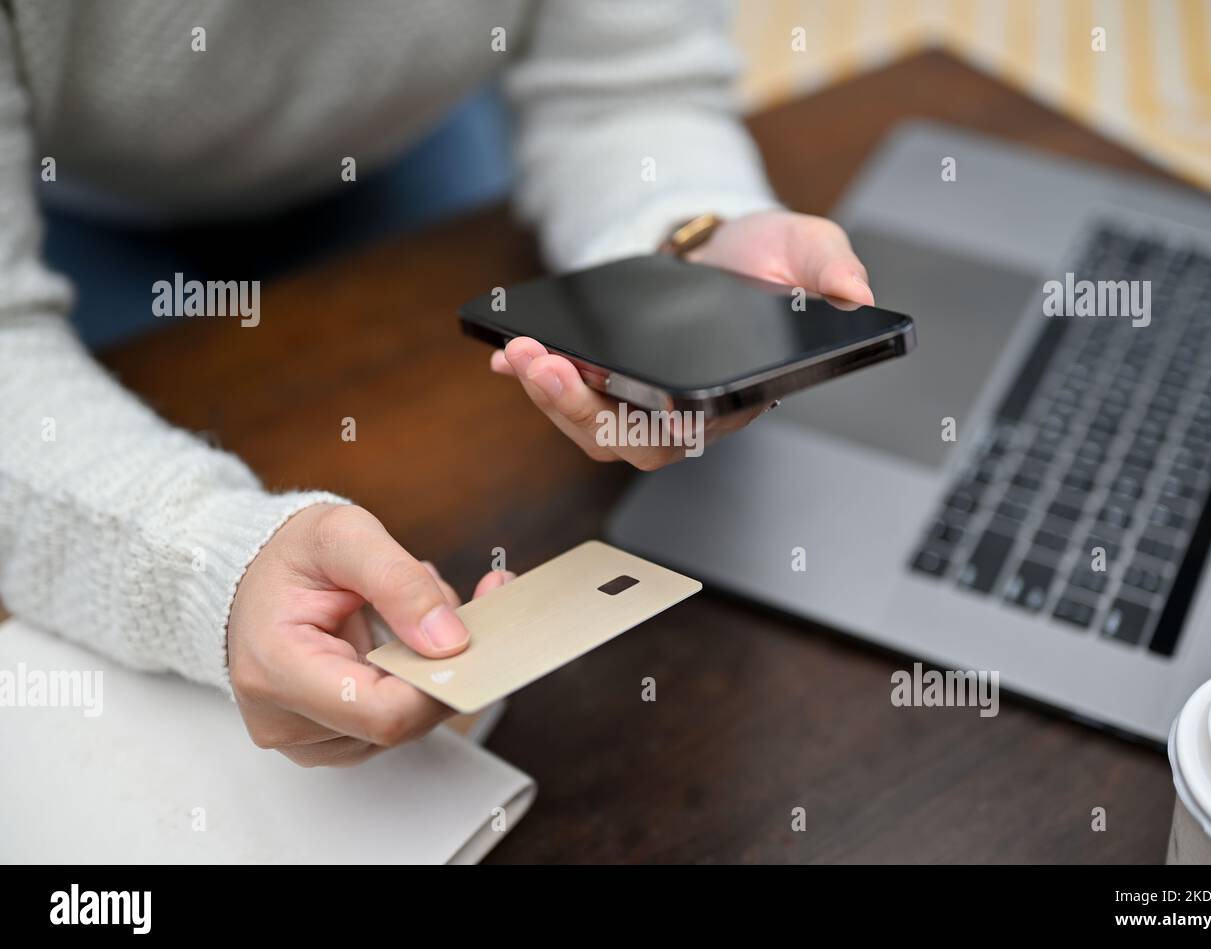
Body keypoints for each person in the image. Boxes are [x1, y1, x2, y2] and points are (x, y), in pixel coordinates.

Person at [0, 1, 873, 766]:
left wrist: (681, 243)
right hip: (72, 202)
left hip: (404, 135)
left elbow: (627, 91)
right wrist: (205, 564)